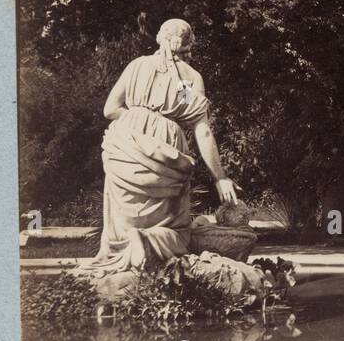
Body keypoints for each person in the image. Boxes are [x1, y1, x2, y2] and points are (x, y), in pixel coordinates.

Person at [79, 18, 236, 278]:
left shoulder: (137, 66)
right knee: (176, 229)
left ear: (161, 38)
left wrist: (137, 122)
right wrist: (220, 177)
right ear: (187, 45)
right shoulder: (187, 79)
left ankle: (123, 249)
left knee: (121, 219)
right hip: (166, 146)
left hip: (126, 144)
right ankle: (148, 242)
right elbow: (199, 126)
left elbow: (110, 110)